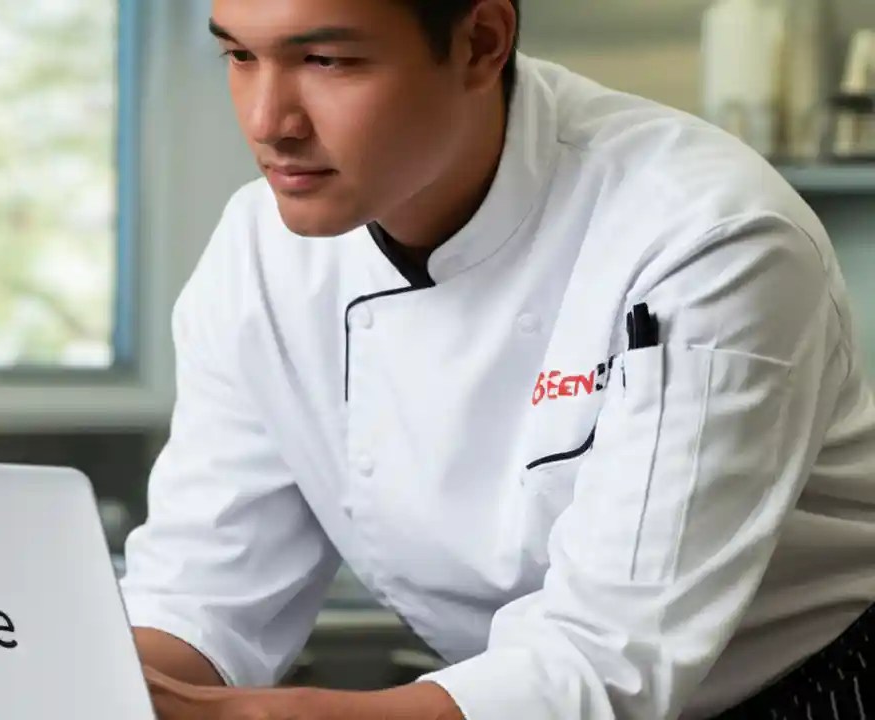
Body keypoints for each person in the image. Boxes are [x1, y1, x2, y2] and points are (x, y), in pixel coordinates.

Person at [119, 1, 875, 718]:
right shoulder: (260, 251)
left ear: (482, 41)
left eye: (327, 60)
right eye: (238, 55)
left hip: (804, 693)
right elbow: (203, 597)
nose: (267, 123)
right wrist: (88, 684)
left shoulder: (706, 235)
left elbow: (609, 662)